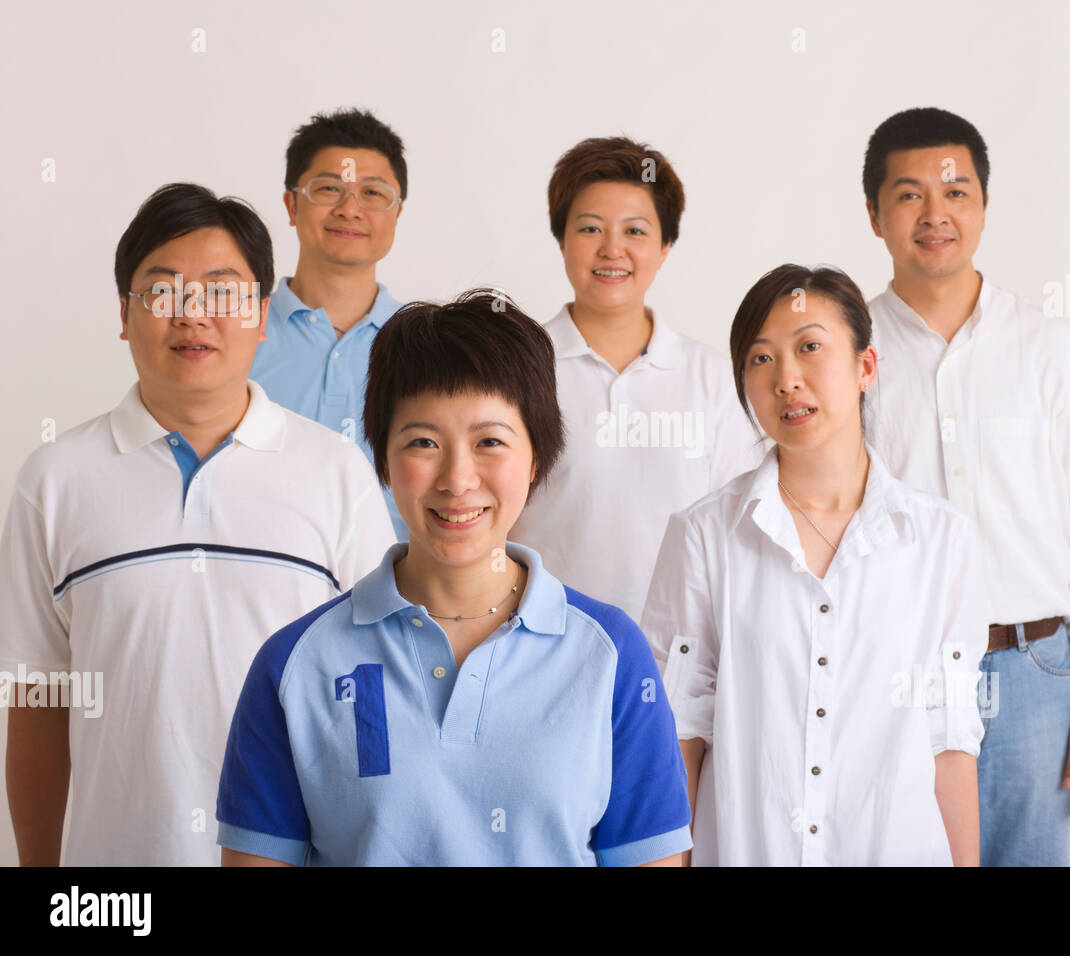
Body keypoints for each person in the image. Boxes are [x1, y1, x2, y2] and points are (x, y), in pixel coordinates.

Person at [215, 291, 693, 866]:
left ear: (537, 455)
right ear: (385, 461)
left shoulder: (612, 656)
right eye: (423, 443)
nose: (457, 478)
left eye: (489, 441)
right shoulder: (294, 663)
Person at [0, 183, 396, 866]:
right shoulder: (55, 481)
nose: (192, 315)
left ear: (263, 314)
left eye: (222, 292)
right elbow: (39, 705)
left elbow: (371, 694)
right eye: (162, 291)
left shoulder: (336, 473)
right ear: (124, 315)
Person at [860, 107, 1070, 866]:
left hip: (1036, 676)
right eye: (910, 194)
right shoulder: (847, 353)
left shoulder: (1049, 350)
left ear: (983, 205)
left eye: (956, 191)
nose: (935, 214)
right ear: (875, 214)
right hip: (894, 675)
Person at [640, 265, 987, 866]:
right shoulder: (703, 536)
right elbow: (678, 738)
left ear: (866, 368)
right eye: (760, 359)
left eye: (810, 348)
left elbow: (950, 744)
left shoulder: (941, 541)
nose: (786, 379)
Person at [509, 136, 766, 627]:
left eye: (635, 230)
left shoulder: (712, 377)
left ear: (664, 247)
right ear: (561, 239)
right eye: (589, 228)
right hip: (541, 639)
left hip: (684, 654)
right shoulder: (517, 367)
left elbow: (742, 526)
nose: (612, 249)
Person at [250, 107, 408, 538]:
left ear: (397, 212)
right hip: (260, 592)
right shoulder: (235, 336)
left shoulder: (428, 344)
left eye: (372, 193)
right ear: (291, 203)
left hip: (397, 598)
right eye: (328, 189)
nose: (349, 209)